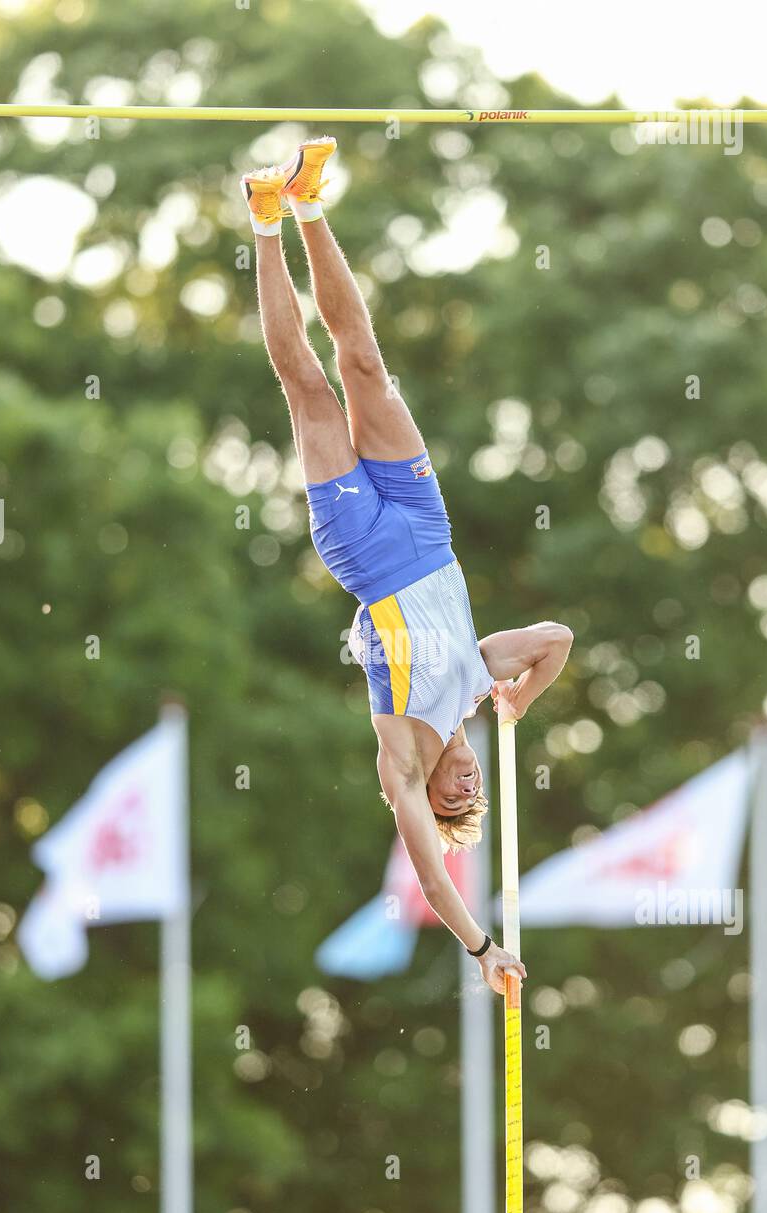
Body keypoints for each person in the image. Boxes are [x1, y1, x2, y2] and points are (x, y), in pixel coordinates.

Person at [242, 138, 573, 993]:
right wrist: (521, 699)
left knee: (308, 386)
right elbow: (555, 637)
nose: (465, 783)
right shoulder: (473, 683)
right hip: (428, 526)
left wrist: (482, 947)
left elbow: (431, 877)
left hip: (364, 553)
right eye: (473, 793)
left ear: (429, 796)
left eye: (452, 796)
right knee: (366, 364)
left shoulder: (399, 757)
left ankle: (267, 222)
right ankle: (312, 200)